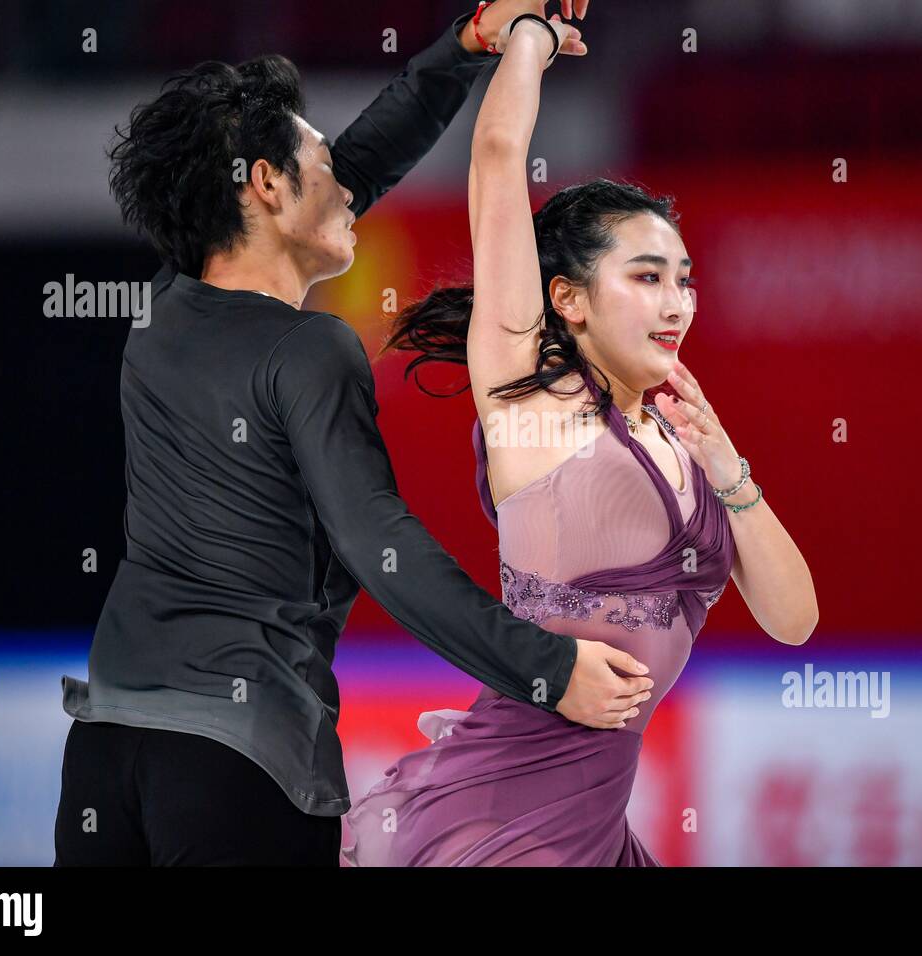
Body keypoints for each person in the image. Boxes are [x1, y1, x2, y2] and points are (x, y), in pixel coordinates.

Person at [53, 0, 647, 868]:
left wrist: (469, 40)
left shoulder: (163, 312)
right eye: (322, 165)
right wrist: (547, 668)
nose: (347, 184)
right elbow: (380, 545)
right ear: (262, 183)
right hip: (238, 763)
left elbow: (341, 180)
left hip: (105, 752)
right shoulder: (309, 347)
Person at [341, 12, 818, 866]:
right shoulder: (538, 404)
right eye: (645, 277)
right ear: (568, 300)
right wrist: (527, 33)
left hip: (596, 834)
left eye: (684, 279)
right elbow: (495, 164)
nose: (676, 303)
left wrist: (728, 468)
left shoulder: (688, 443)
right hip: (497, 825)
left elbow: (794, 621)